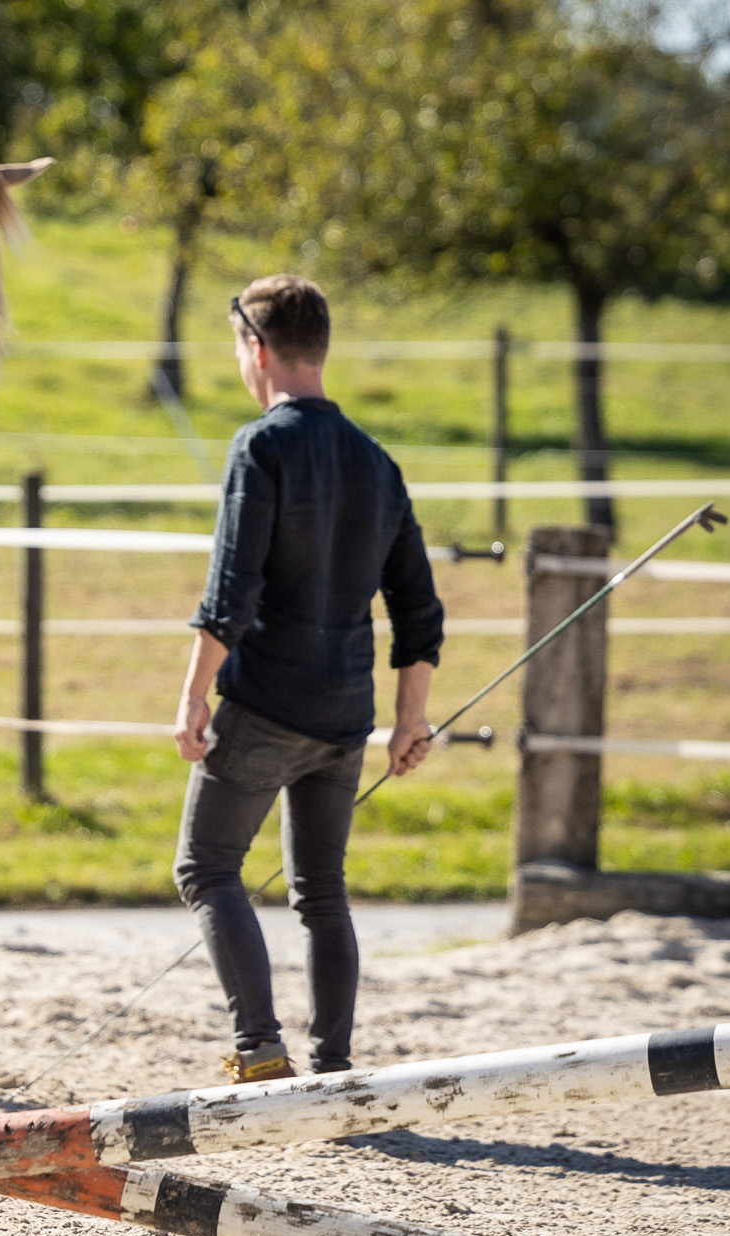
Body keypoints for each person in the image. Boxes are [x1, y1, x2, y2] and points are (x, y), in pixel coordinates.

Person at [172, 273, 445, 1083]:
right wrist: (410, 720)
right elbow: (419, 609)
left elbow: (230, 593)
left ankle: (258, 1048)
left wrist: (193, 698)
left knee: (208, 867)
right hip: (344, 719)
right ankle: (333, 1069)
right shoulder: (378, 461)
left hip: (264, 707)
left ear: (256, 348)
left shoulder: (261, 446)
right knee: (322, 889)